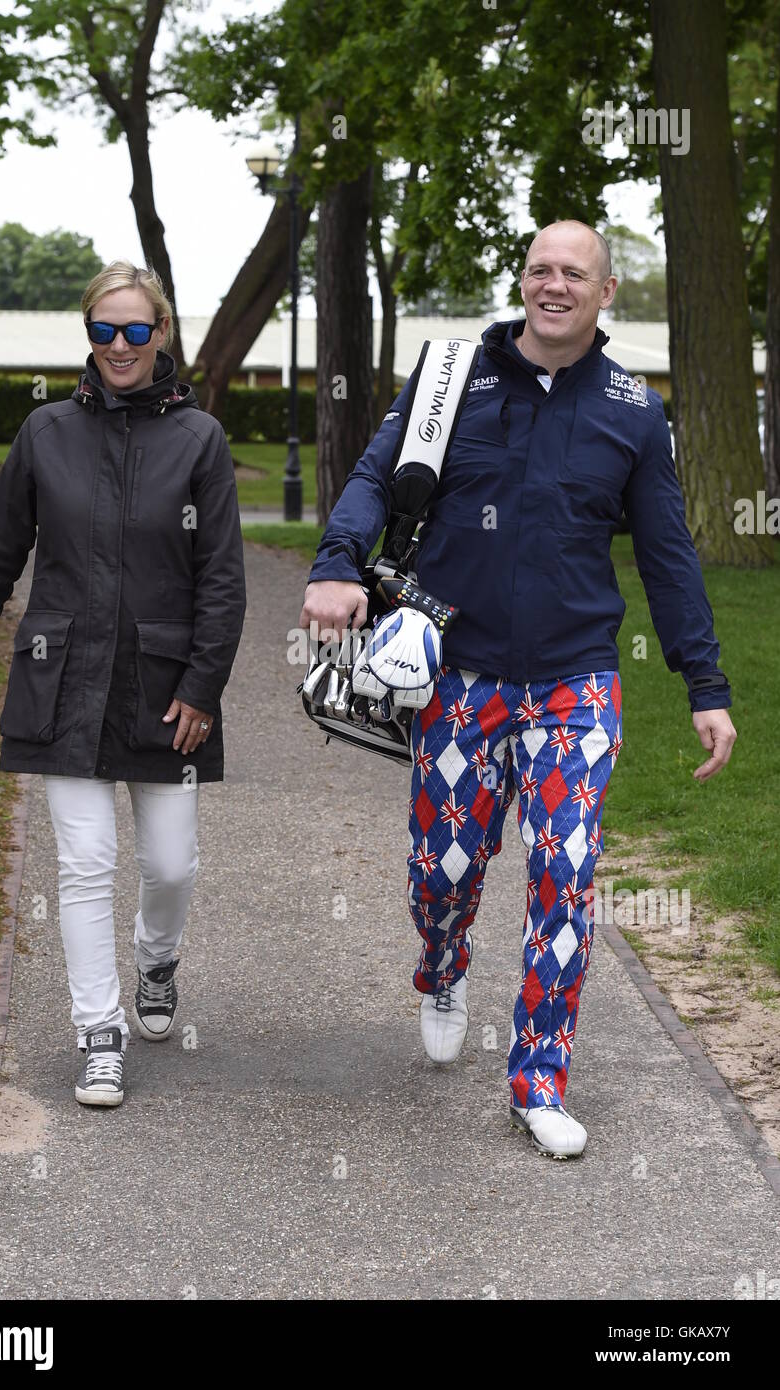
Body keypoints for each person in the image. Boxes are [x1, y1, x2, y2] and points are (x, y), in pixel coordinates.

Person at [299, 220, 737, 1160]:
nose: (554, 284)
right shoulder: (452, 376)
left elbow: (667, 555)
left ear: (606, 293)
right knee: (443, 871)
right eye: (540, 268)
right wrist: (338, 563)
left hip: (578, 681)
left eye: (575, 272)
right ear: (524, 280)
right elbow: (376, 478)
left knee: (566, 872)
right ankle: (443, 963)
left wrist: (705, 682)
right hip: (459, 675)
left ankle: (539, 1077)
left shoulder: (633, 409)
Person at [0, 260, 246, 1108]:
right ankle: (97, 1034)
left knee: (172, 863)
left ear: (162, 336)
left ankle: (155, 962)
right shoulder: (46, 433)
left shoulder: (200, 441)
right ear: (88, 333)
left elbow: (221, 578)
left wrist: (204, 685)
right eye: (103, 329)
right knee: (82, 864)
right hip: (61, 678)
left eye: (135, 330)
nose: (118, 345)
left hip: (164, 687)